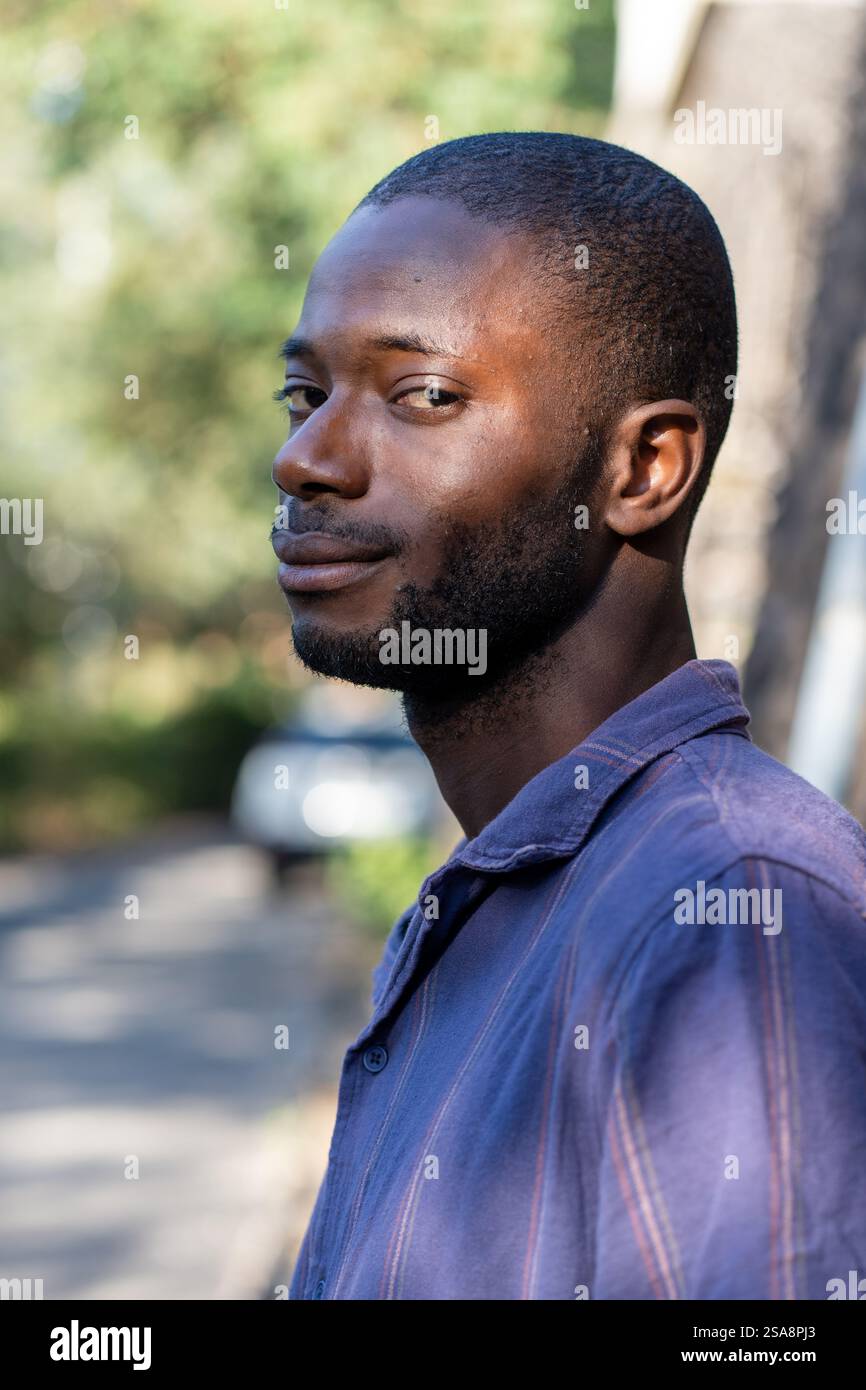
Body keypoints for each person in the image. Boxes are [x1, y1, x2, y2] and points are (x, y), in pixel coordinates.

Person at [270, 132, 866, 1300]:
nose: (306, 458)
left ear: (642, 470)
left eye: (421, 395)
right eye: (304, 392)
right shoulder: (508, 904)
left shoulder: (721, 906)